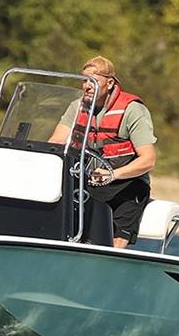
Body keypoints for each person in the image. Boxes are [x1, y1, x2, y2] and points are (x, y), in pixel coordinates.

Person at [49, 56, 157, 248]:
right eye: (84, 80)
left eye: (93, 81)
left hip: (126, 183)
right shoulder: (77, 107)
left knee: (125, 212)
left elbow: (148, 160)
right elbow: (56, 142)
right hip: (88, 180)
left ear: (110, 83)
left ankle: (113, 252)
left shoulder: (132, 110)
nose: (87, 86)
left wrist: (112, 174)